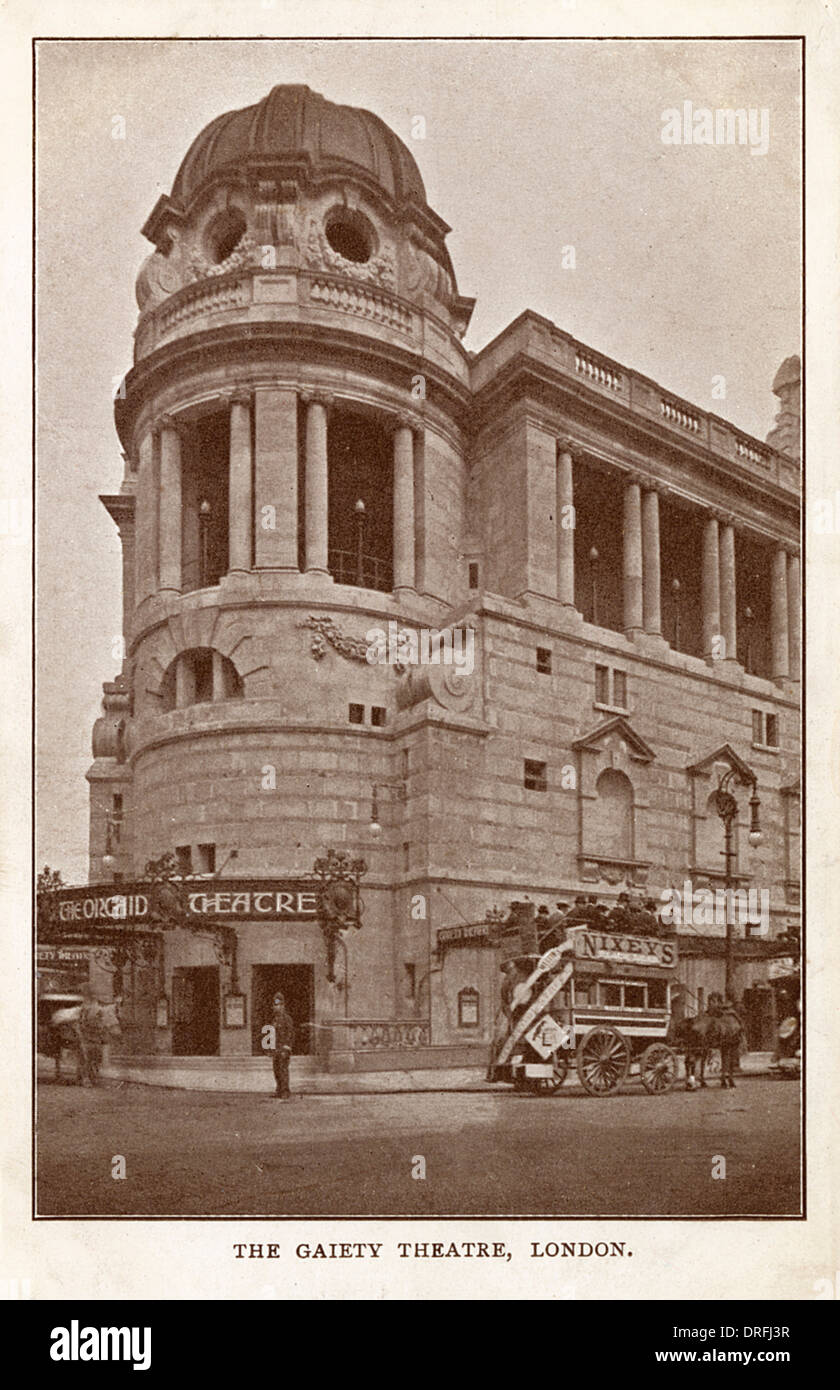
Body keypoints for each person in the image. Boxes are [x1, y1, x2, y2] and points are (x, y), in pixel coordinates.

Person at [268, 992, 296, 1099]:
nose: (276, 1007)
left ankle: (285, 1091)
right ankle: (279, 1090)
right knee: (276, 1070)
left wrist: (287, 1046)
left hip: (284, 1048)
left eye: (279, 1005)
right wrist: (270, 1048)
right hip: (276, 1049)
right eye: (275, 1005)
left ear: (283, 1006)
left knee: (283, 1069)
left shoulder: (287, 1019)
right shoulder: (274, 1020)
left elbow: (290, 1033)